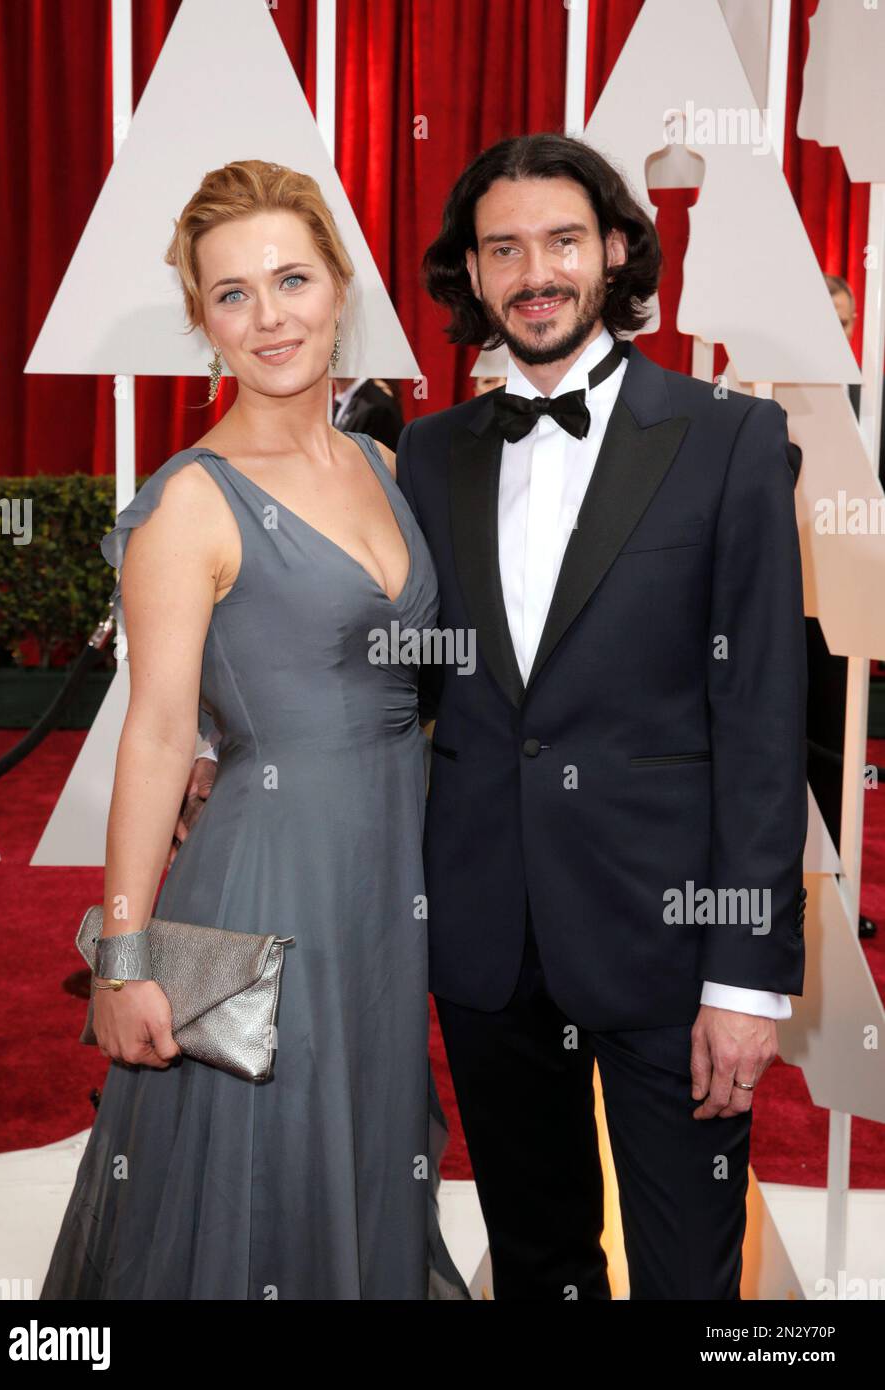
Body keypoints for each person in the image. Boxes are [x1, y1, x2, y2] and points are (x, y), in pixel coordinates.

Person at [39, 159, 468, 1301]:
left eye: (291, 279)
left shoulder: (381, 464)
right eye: (232, 294)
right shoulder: (191, 500)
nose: (269, 316)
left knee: (368, 1140)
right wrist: (122, 960)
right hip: (267, 886)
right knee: (256, 1172)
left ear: (339, 285)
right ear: (201, 320)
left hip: (384, 879)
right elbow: (155, 735)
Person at [399, 132, 808, 1300]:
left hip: (669, 945)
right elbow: (406, 678)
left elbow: (762, 724)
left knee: (687, 1274)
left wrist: (743, 982)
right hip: (486, 940)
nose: (536, 271)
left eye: (563, 240)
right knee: (537, 1264)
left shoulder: (728, 440)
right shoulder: (427, 457)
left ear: (614, 250)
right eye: (503, 248)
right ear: (471, 275)